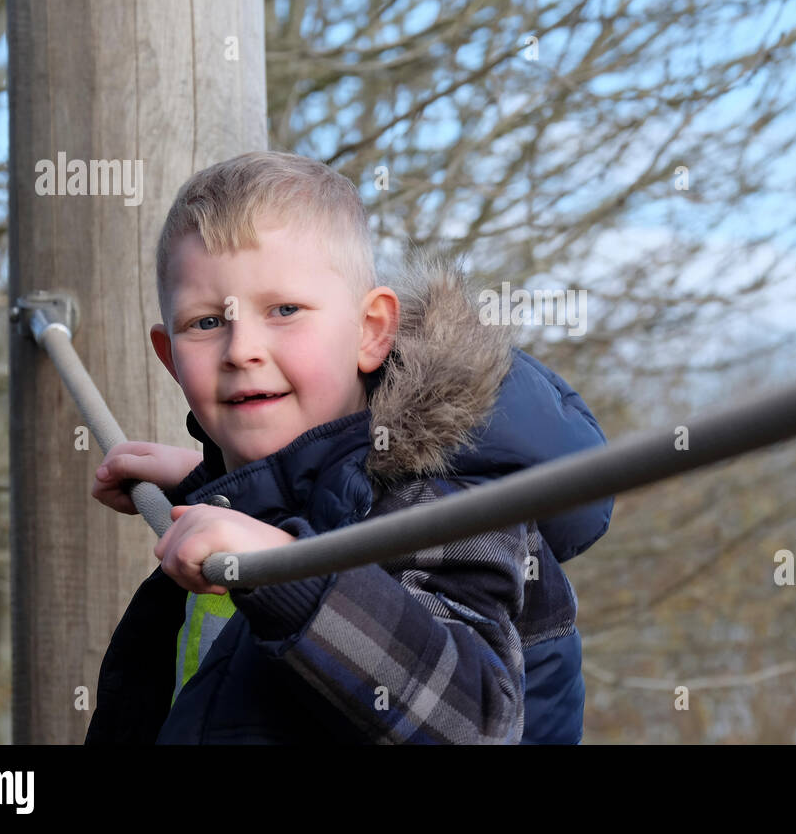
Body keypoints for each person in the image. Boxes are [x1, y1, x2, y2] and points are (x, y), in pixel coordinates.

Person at [84, 151, 611, 744]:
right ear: (169, 357)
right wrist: (213, 488)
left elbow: (476, 725)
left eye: (285, 310)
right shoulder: (236, 512)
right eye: (206, 323)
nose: (241, 350)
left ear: (370, 332)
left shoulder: (447, 506)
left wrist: (285, 573)